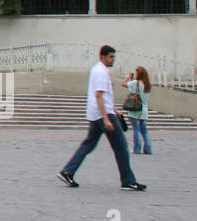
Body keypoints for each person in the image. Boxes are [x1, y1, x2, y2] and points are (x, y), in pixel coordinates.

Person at [57, 46, 146, 190]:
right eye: (111, 57)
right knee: (121, 147)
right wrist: (106, 118)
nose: (113, 60)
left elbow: (101, 95)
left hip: (97, 113)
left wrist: (114, 110)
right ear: (103, 57)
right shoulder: (101, 72)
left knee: (88, 144)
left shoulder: (98, 70)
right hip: (102, 114)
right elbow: (98, 95)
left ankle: (67, 171)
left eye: (114, 57)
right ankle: (128, 180)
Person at [124, 66, 152, 155]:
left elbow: (124, 84)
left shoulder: (135, 83)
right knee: (144, 130)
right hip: (143, 110)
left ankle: (137, 149)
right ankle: (148, 149)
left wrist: (128, 77)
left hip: (135, 109)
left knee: (136, 129)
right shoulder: (147, 84)